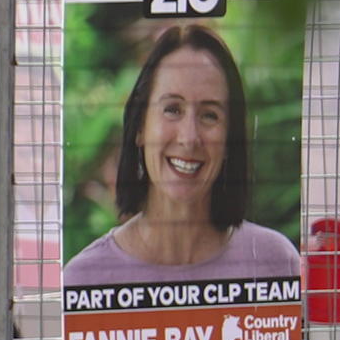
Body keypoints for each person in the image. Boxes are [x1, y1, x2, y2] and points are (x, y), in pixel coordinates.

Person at [66, 22, 304, 289]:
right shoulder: (85, 279)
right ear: (140, 126)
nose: (189, 138)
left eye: (209, 115)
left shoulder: (275, 263)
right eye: (172, 109)